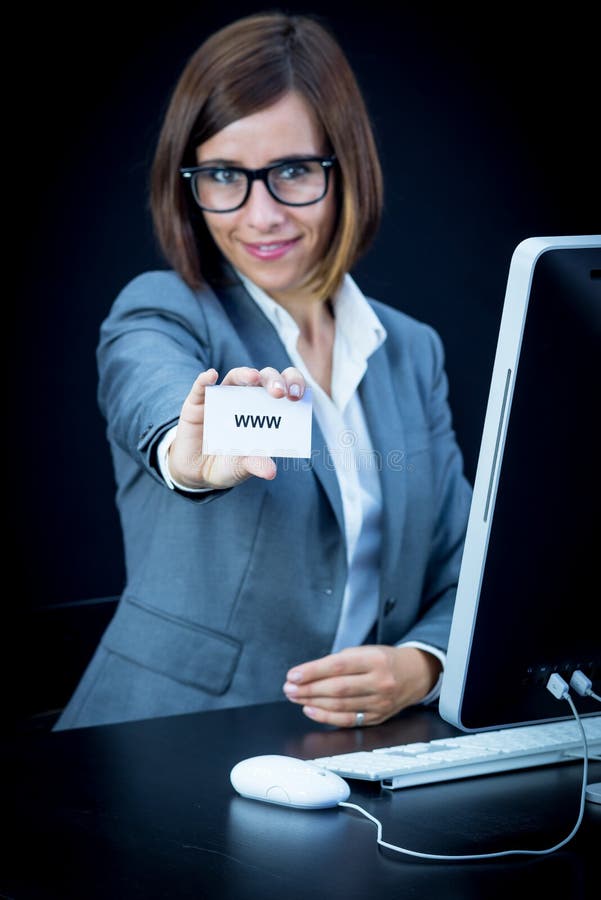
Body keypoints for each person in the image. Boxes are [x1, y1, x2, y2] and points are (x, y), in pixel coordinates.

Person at [55, 11, 472, 731]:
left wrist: (421, 664)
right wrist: (186, 453)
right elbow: (148, 391)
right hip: (161, 743)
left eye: (292, 171)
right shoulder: (162, 309)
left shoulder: (411, 351)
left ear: (346, 168)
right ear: (189, 181)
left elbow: (464, 567)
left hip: (352, 757)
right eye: (224, 176)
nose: (261, 215)